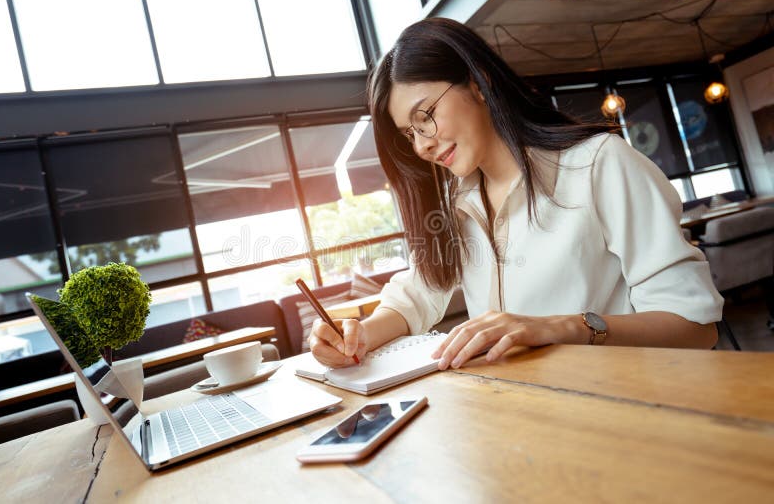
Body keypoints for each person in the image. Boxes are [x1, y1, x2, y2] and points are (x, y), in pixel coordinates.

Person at [309, 18, 722, 370]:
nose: (422, 146)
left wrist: (560, 327)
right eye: (409, 134)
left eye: (426, 117)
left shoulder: (598, 164)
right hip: (514, 418)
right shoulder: (457, 202)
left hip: (616, 412)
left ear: (479, 84)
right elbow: (417, 295)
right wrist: (358, 335)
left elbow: (695, 327)